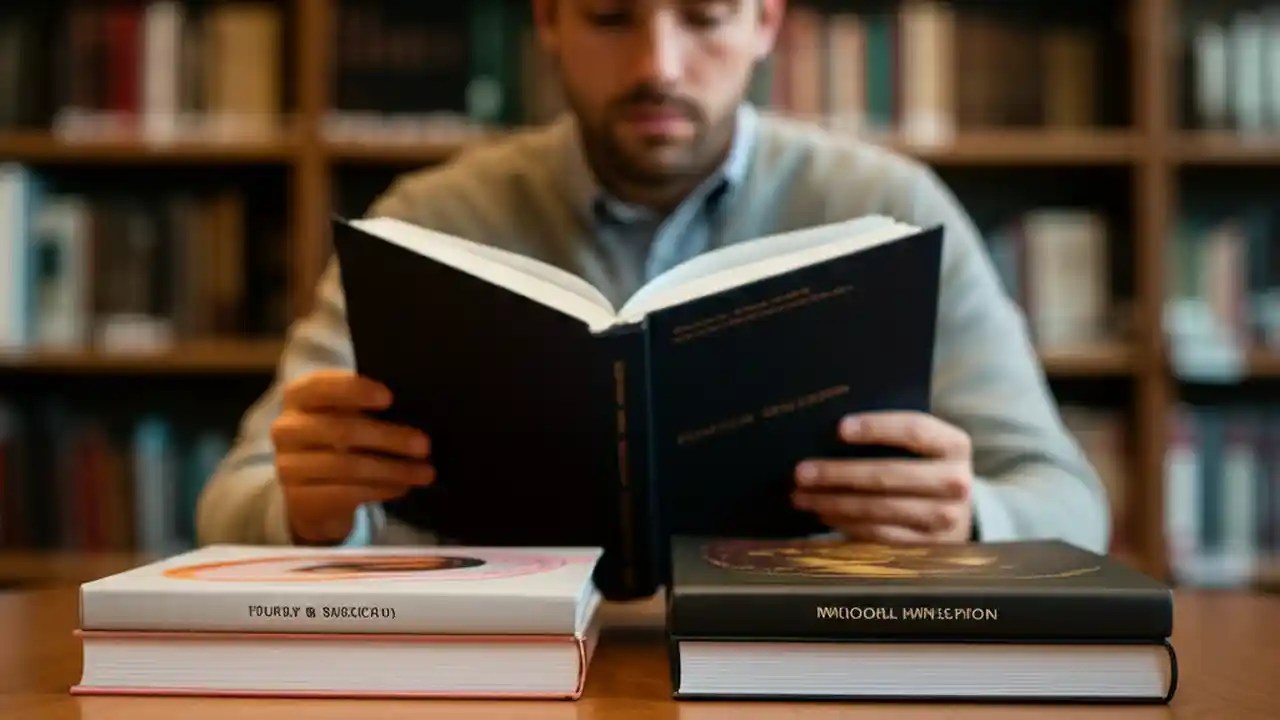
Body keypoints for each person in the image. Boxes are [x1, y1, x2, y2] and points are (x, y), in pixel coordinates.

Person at [196, 0, 1110, 556]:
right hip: (514, 678)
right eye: (608, 17)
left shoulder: (891, 203)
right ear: (548, 22)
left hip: (808, 669)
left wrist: (971, 514)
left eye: (706, 17)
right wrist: (310, 511)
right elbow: (232, 500)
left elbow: (1070, 503)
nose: (658, 67)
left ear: (766, 23)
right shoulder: (430, 219)